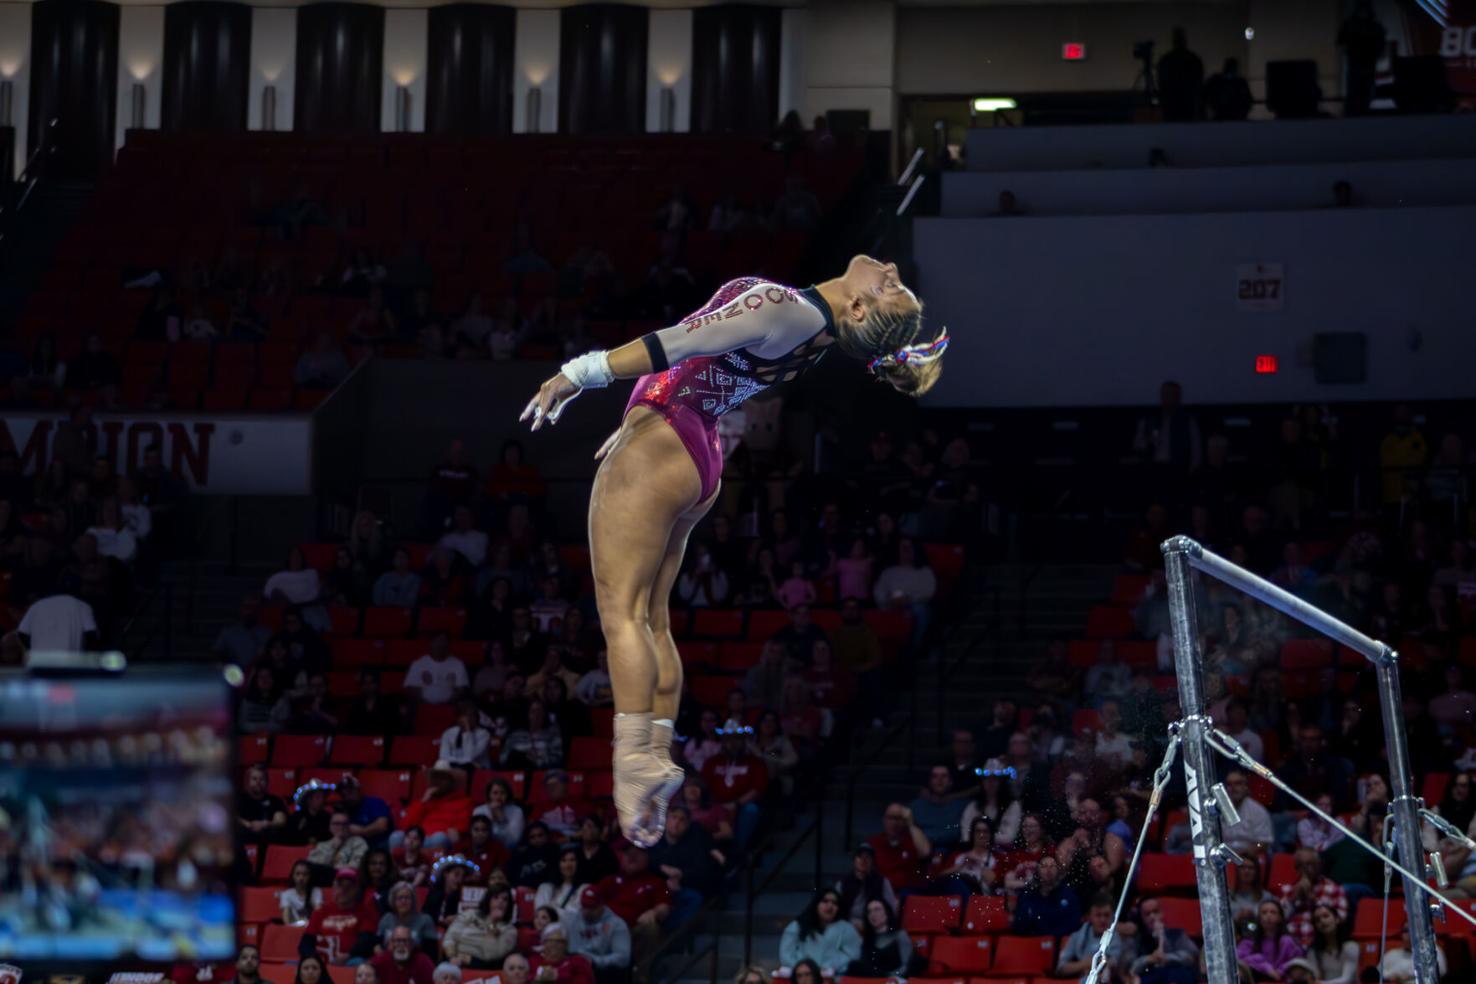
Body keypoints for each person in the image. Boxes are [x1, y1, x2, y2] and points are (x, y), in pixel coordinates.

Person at [520, 257, 943, 844]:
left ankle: (632, 767)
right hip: (695, 445)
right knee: (653, 620)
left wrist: (581, 372)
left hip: (672, 434)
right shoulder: (814, 328)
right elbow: (713, 367)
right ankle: (658, 756)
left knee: (621, 615)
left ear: (859, 308)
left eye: (890, 286)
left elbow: (678, 343)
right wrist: (645, 415)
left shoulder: (784, 308)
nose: (891, 267)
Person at [648, 804, 723, 928]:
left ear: (687, 825)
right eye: (674, 817)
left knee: (694, 898)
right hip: (654, 888)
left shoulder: (693, 844)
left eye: (682, 820)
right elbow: (645, 861)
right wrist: (661, 868)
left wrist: (681, 876)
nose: (676, 822)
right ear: (666, 820)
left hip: (675, 889)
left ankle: (669, 933)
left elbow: (701, 870)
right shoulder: (654, 840)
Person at [700, 718, 768, 849]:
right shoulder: (711, 762)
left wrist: (736, 804)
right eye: (728, 739)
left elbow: (757, 789)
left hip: (741, 806)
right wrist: (716, 806)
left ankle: (738, 850)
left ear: (743, 741)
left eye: (736, 739)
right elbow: (703, 785)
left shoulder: (755, 763)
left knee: (751, 810)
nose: (732, 743)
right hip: (715, 806)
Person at [300, 867, 382, 964]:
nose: (344, 890)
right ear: (334, 887)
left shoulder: (365, 911)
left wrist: (348, 956)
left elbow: (366, 941)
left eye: (349, 886)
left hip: (350, 960)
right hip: (320, 962)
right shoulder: (321, 911)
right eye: (340, 885)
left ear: (358, 889)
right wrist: (313, 959)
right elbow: (306, 942)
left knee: (357, 962)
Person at [393, 761, 473, 851]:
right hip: (418, 838)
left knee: (438, 838)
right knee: (396, 837)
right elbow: (404, 826)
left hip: (441, 840)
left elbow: (461, 829)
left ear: (450, 781)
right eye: (434, 777)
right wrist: (422, 802)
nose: (437, 782)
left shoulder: (463, 802)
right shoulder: (423, 801)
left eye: (442, 778)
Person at [1278, 849, 1348, 947]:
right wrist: (1293, 899)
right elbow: (1276, 920)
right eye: (1300, 865)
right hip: (1291, 944)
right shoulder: (1287, 889)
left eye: (1309, 864)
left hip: (1320, 945)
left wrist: (1313, 899)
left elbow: (1340, 920)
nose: (1304, 869)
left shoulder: (1334, 889)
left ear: (1318, 866)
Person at [564, 887, 632, 984]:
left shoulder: (617, 924)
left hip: (603, 971)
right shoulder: (574, 920)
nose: (586, 911)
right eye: (584, 906)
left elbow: (623, 958)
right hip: (576, 967)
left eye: (591, 907)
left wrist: (595, 960)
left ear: (602, 905)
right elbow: (571, 949)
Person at [443, 888, 517, 968]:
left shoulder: (510, 930)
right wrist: (451, 956)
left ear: (509, 904)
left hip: (481, 965)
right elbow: (450, 936)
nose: (500, 901)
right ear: (488, 899)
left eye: (505, 899)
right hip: (453, 957)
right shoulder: (470, 914)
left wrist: (492, 923)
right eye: (495, 897)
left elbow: (490, 956)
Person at [866, 803, 931, 892]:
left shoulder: (913, 839)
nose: (894, 823)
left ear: (905, 821)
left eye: (898, 819)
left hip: (910, 894)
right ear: (884, 820)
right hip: (882, 895)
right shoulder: (873, 843)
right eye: (890, 818)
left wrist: (911, 824)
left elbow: (925, 852)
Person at [1056, 894, 1122, 982]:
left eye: (1106, 915)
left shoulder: (1116, 939)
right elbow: (1061, 968)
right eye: (1098, 915)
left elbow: (1113, 965)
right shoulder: (1076, 937)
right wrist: (1086, 963)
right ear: (1090, 917)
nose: (1102, 919)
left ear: (1112, 917)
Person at [1012, 855, 1080, 938]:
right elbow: (1019, 925)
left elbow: (1074, 924)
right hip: (1032, 943)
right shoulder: (1027, 895)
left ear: (1058, 870)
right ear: (1037, 871)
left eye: (1052, 866)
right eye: (1044, 866)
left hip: (1059, 943)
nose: (1048, 870)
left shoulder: (1068, 894)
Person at [1236, 899, 1304, 980]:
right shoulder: (1248, 942)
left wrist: (1280, 971)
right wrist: (1265, 967)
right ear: (1259, 918)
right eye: (1264, 912)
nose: (1268, 916)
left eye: (1273, 912)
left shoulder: (1287, 941)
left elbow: (1297, 961)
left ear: (1280, 918)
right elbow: (1238, 960)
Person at [847, 898, 913, 979]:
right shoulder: (867, 940)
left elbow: (906, 965)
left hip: (893, 979)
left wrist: (891, 976)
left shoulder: (900, 935)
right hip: (871, 980)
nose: (873, 914)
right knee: (853, 966)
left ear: (887, 912)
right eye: (869, 911)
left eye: (877, 909)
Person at [378, 882, 440, 959]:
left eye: (407, 898)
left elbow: (431, 953)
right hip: (388, 962)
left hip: (416, 963)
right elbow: (377, 944)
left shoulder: (425, 920)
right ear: (393, 901)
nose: (403, 901)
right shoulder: (387, 918)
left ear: (413, 900)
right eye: (400, 898)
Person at [405, 634, 470, 706]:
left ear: (448, 644)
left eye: (443, 642)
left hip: (450, 706)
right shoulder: (417, 664)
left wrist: (449, 703)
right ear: (430, 644)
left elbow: (461, 689)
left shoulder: (458, 664)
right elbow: (412, 689)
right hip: (423, 706)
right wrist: (424, 704)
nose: (440, 645)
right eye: (437, 642)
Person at [1222, 770, 1274, 856]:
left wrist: (1246, 853)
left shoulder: (1258, 811)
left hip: (1250, 857)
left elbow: (1264, 842)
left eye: (1237, 783)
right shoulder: (1219, 810)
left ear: (1245, 786)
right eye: (1229, 784)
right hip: (1223, 857)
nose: (1233, 788)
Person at [1157, 28, 1204, 121]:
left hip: (1180, 102)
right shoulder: (1192, 59)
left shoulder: (1167, 60)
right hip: (1178, 102)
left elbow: (1161, 81)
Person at [1304, 904, 1357, 984]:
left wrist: (1322, 983)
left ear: (1337, 919)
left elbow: (1347, 980)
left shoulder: (1351, 947)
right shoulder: (1313, 951)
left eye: (1326, 916)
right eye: (1317, 920)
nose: (1322, 921)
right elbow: (1314, 979)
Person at [213, 595, 272, 666]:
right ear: (241, 609)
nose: (250, 611)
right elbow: (216, 655)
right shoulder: (227, 633)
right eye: (247, 607)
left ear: (258, 610)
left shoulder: (268, 634)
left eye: (254, 608)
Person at [238, 764, 289, 845]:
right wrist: (248, 825)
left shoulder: (275, 801)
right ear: (248, 781)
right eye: (254, 779)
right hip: (243, 841)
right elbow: (229, 817)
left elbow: (281, 821)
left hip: (268, 840)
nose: (258, 782)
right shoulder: (239, 799)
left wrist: (264, 824)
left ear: (267, 782)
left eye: (262, 779)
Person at [529, 923, 596, 984]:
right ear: (543, 943)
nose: (554, 945)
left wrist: (558, 975)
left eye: (559, 941)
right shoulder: (533, 961)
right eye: (550, 941)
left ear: (566, 944)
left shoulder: (578, 962)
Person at [370, 925, 437, 984]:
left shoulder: (423, 962)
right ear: (391, 943)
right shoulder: (381, 960)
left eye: (405, 941)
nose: (401, 945)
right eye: (398, 941)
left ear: (412, 944)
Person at [473, 777, 526, 851]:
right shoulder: (479, 810)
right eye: (495, 793)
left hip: (507, 849)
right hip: (484, 848)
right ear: (489, 794)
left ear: (508, 794)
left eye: (502, 793)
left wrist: (501, 820)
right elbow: (476, 835)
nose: (498, 797)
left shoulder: (516, 811)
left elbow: (514, 840)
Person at [536, 847, 589, 916]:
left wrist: (552, 910)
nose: (568, 865)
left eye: (572, 860)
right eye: (563, 860)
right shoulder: (545, 887)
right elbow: (540, 913)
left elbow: (575, 915)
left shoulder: (585, 888)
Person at [281, 859, 324, 924]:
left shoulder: (316, 891)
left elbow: (319, 915)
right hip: (294, 929)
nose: (301, 878)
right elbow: (286, 920)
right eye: (298, 874)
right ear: (293, 876)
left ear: (309, 876)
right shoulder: (286, 894)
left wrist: (311, 900)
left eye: (305, 874)